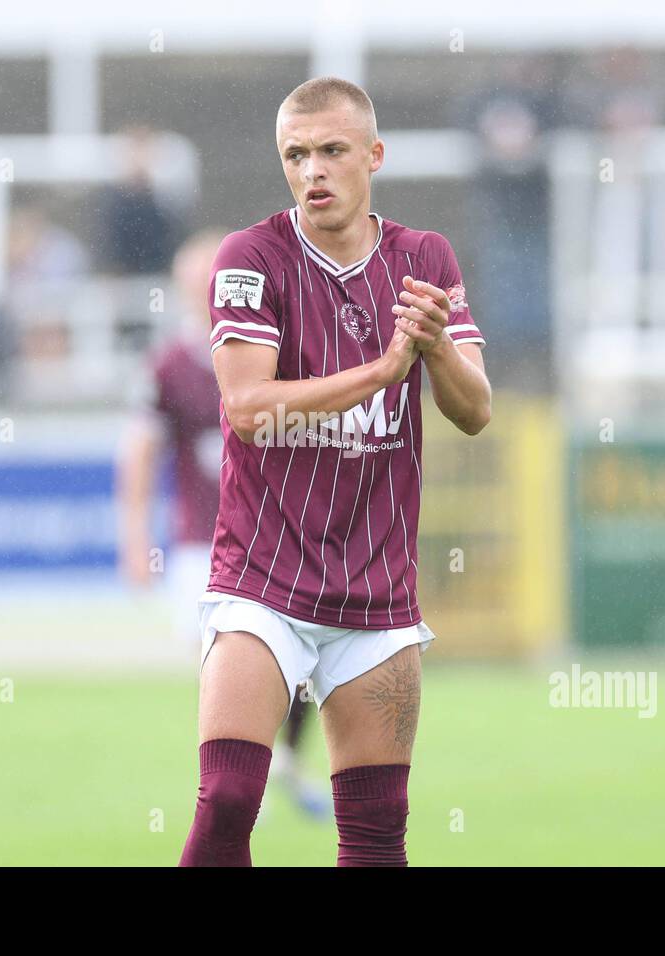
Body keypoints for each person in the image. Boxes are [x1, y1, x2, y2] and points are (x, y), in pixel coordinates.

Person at [179, 76, 492, 867]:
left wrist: (436, 350)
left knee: (378, 836)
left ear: (374, 156)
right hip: (263, 580)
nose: (312, 170)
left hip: (376, 594)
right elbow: (250, 408)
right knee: (227, 802)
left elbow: (474, 409)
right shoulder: (250, 258)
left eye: (331, 151)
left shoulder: (424, 259)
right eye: (295, 154)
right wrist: (384, 371)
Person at [116, 229, 330, 820]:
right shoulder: (171, 364)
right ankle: (235, 786)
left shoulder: (279, 354)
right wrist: (135, 539)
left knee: (297, 664)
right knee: (224, 668)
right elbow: (140, 451)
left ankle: (276, 763)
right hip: (200, 546)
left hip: (275, 537)